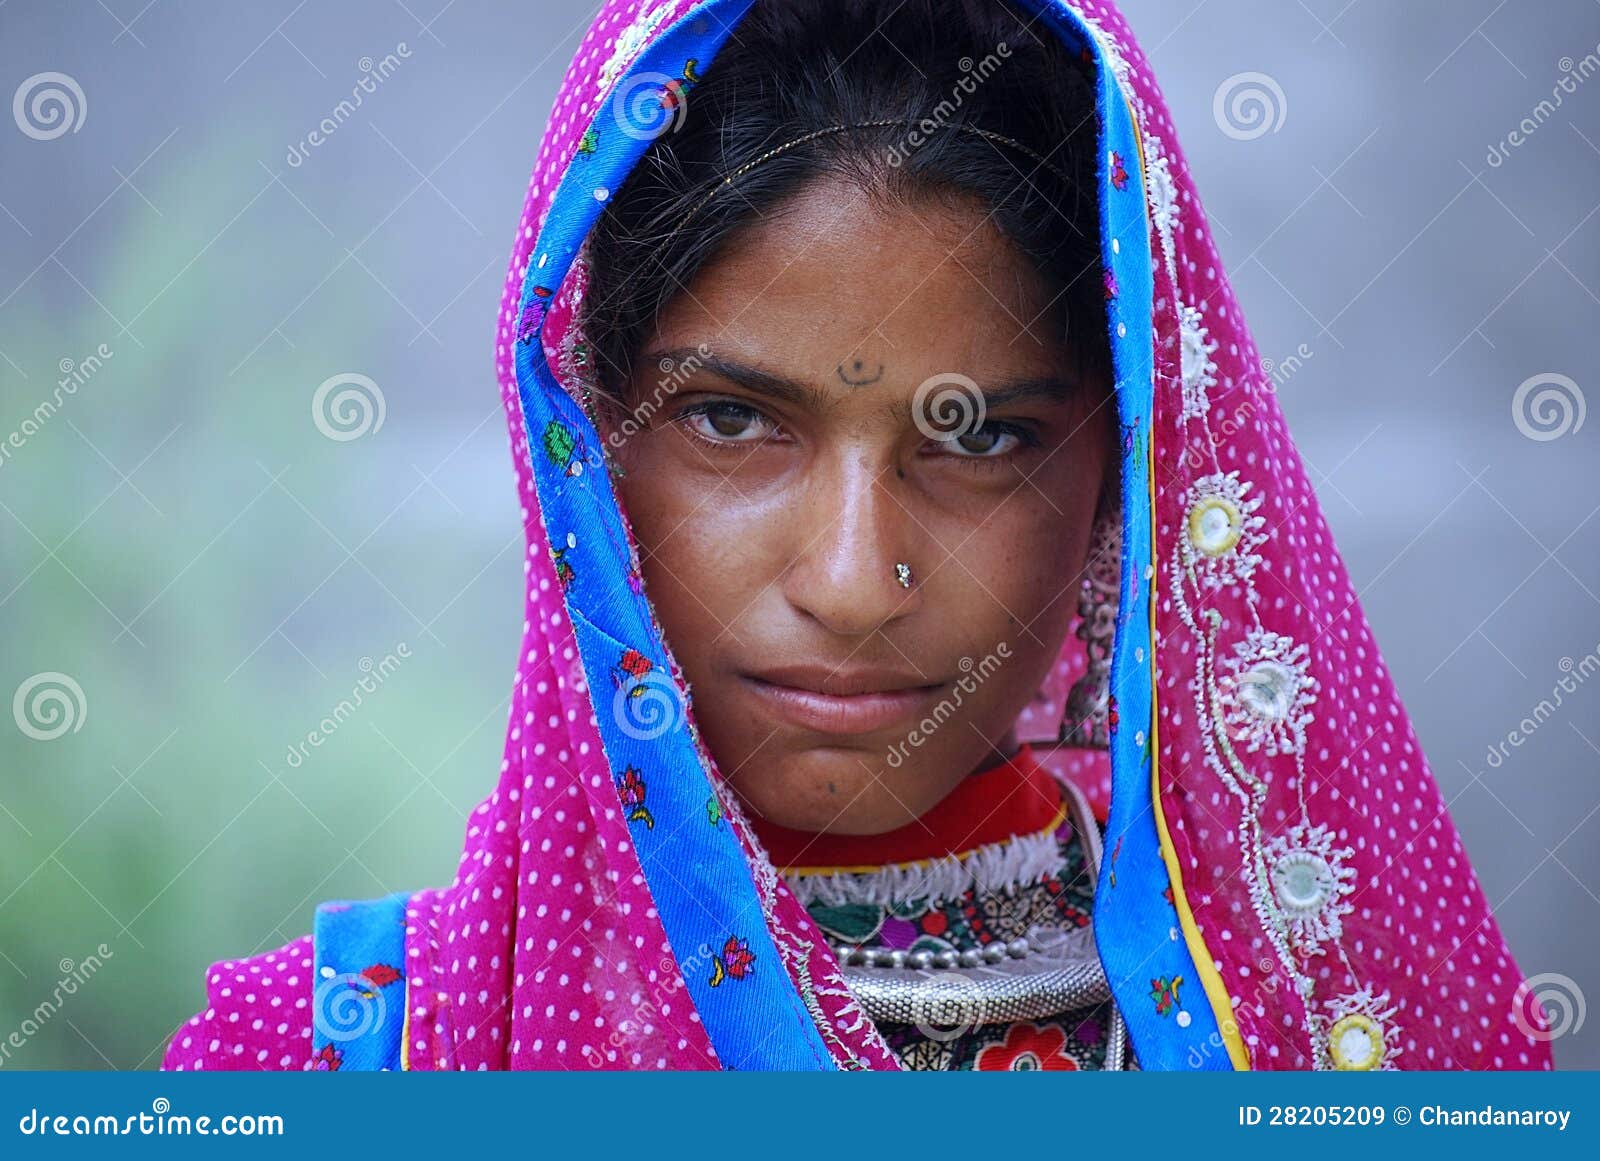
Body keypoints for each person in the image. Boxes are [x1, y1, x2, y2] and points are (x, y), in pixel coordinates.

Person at [161, 0, 1554, 1071]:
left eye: (982, 437)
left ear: (1121, 484)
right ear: (582, 446)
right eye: (730, 421)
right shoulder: (333, 1058)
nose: (851, 582)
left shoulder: (1330, 1042)